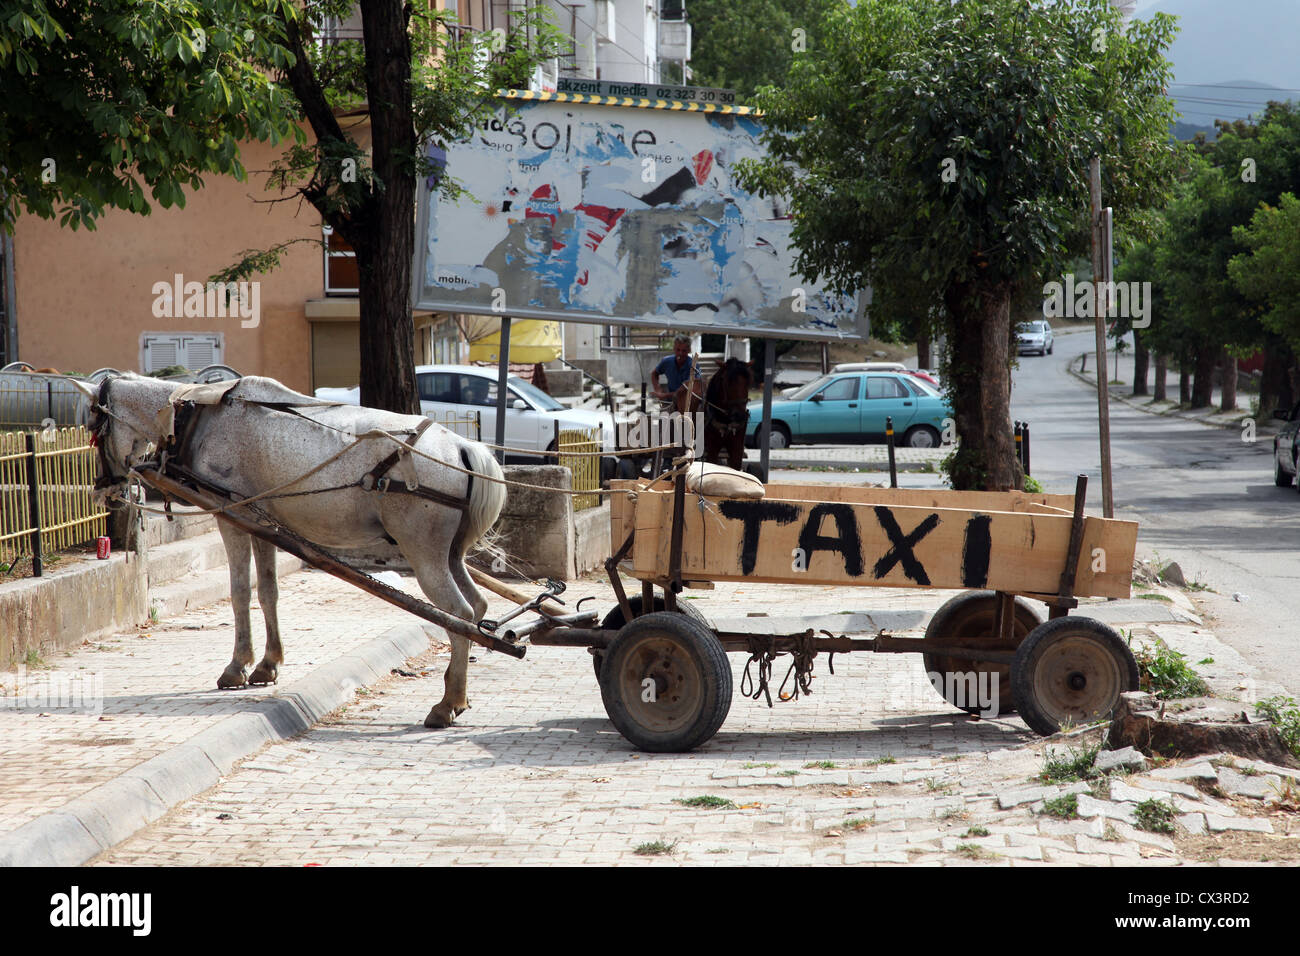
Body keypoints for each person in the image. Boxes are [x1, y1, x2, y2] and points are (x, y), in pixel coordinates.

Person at [648, 334, 701, 406]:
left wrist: (664, 395)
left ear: (689, 350)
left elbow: (687, 389)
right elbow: (654, 373)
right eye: (678, 350)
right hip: (671, 401)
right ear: (674, 348)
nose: (680, 353)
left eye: (684, 351)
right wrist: (658, 389)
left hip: (689, 403)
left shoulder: (694, 366)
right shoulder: (667, 361)